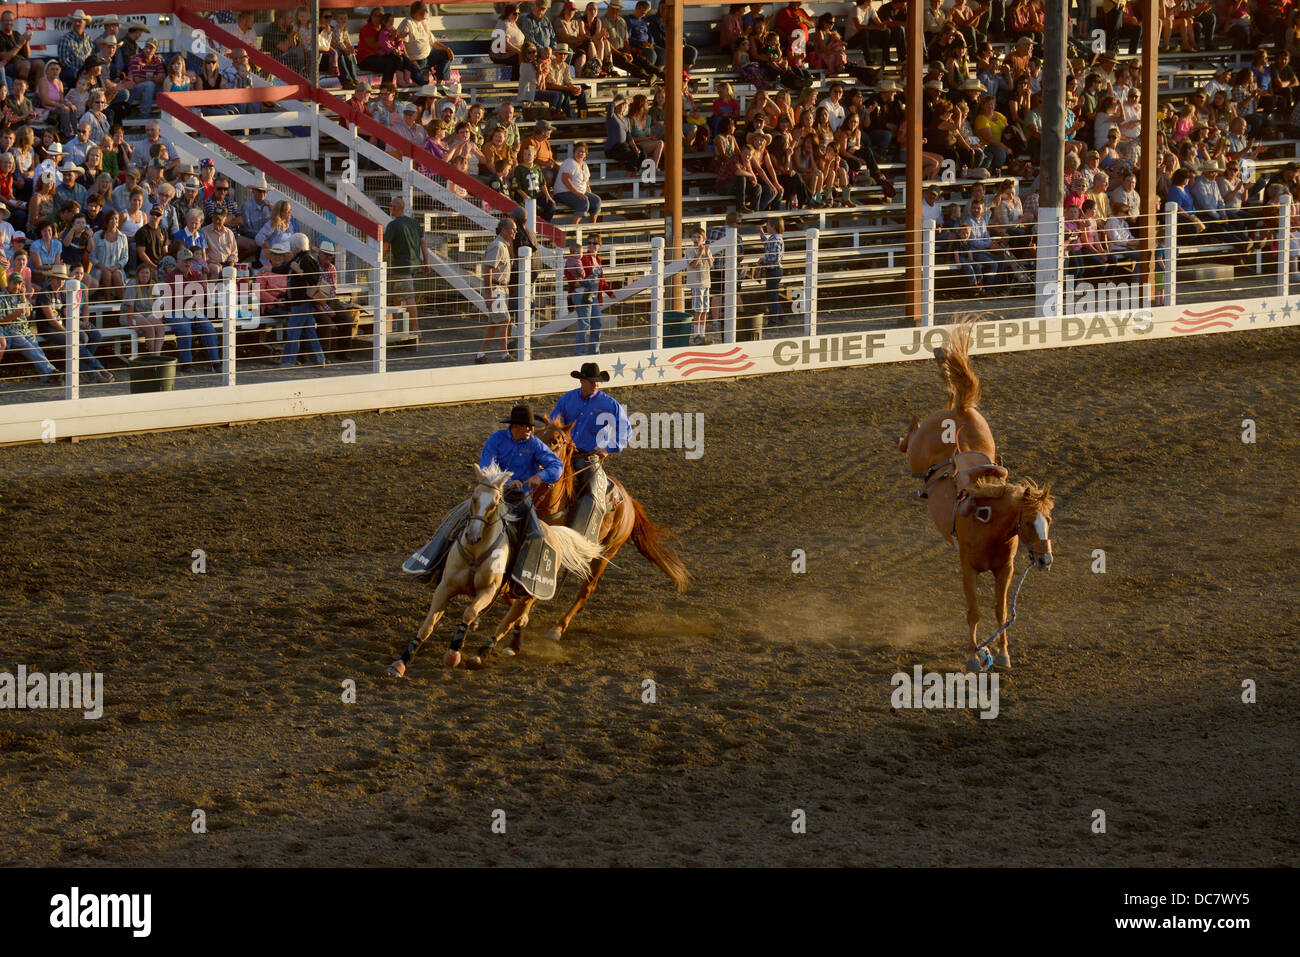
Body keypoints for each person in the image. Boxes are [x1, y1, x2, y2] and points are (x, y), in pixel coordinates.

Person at [549, 362, 629, 542]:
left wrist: (608, 447)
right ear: (582, 381)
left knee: (593, 494)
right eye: (592, 381)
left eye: (598, 381)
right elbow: (554, 425)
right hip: (564, 454)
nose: (596, 385)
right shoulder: (567, 399)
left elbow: (625, 430)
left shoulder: (609, 404)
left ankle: (581, 539)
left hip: (588, 458)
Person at [0, 269, 57, 384]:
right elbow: (2, 321)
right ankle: (51, 371)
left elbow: (27, 313)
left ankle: (47, 376)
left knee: (36, 348)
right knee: (29, 348)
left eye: (19, 284)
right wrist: (15, 314)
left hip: (24, 329)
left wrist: (23, 296)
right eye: (15, 283)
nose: (17, 286)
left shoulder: (20, 296)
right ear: (9, 283)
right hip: (10, 330)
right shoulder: (2, 297)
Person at [382, 196, 422, 339]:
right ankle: (394, 325)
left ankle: (416, 328)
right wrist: (426, 262)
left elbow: (385, 246)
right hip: (414, 264)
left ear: (395, 208)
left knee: (408, 296)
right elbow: (423, 242)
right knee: (398, 294)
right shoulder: (414, 223)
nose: (389, 208)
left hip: (402, 265)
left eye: (390, 206)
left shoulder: (393, 225)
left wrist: (379, 259)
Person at [477, 216, 516, 364]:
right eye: (513, 229)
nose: (515, 232)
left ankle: (481, 354)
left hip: (499, 288)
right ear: (504, 230)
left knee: (494, 322)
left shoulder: (503, 246)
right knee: (504, 320)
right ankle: (504, 354)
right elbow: (488, 269)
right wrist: (489, 293)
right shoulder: (498, 246)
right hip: (495, 288)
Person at [686, 226, 713, 344]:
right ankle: (696, 334)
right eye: (694, 237)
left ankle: (702, 333)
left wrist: (706, 253)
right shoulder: (690, 250)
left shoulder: (707, 250)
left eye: (699, 237)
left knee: (705, 309)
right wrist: (700, 253)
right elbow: (692, 264)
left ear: (703, 239)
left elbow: (711, 264)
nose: (696, 239)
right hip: (696, 283)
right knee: (698, 309)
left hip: (706, 282)